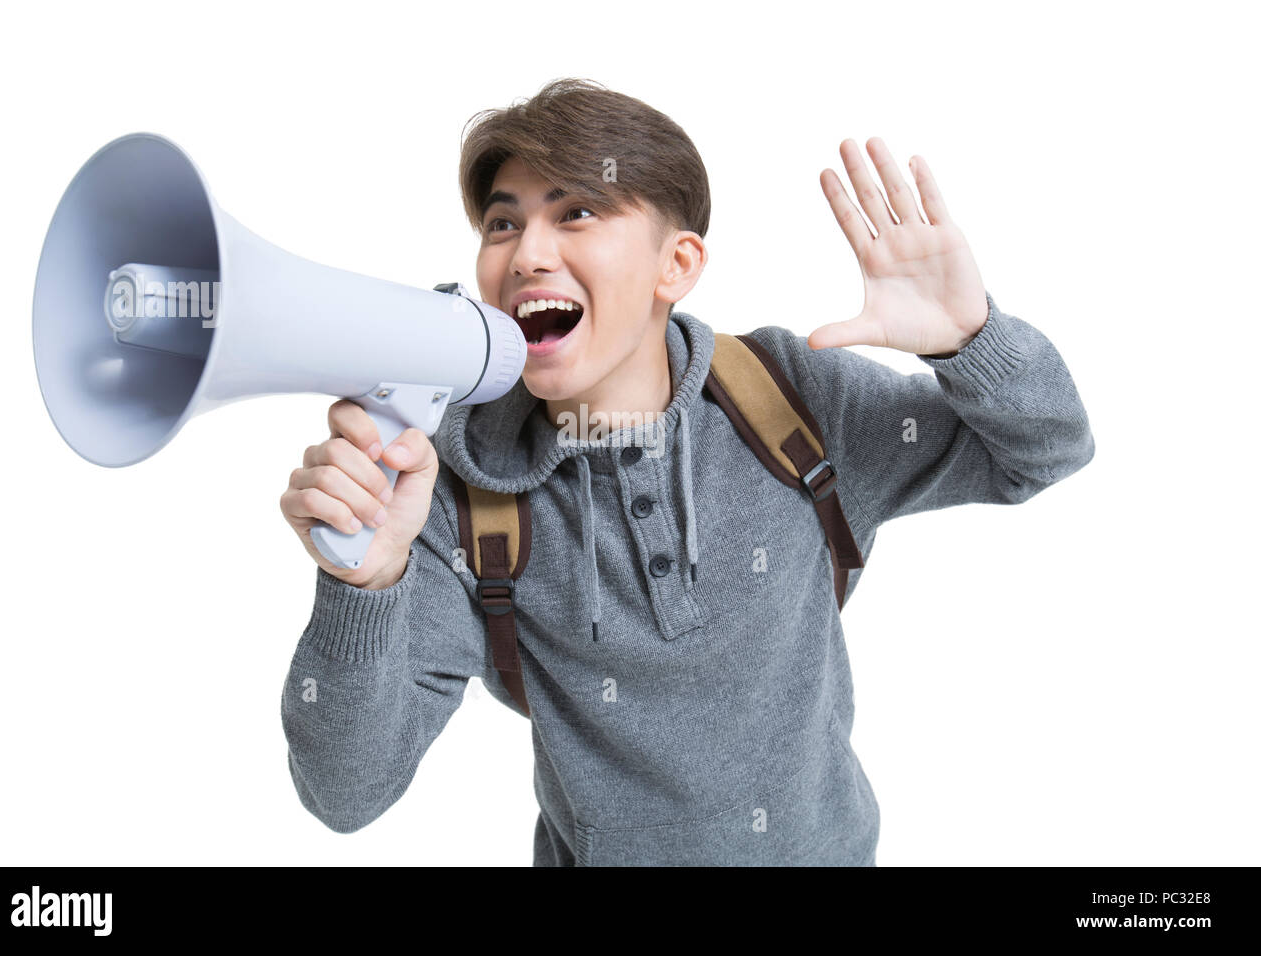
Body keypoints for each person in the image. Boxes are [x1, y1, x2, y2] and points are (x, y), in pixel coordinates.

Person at [278, 78, 1095, 865]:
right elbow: (344, 795)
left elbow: (1046, 450)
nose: (527, 253)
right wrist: (365, 582)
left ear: (677, 265)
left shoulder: (795, 397)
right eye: (502, 224)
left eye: (577, 212)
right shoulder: (452, 486)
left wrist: (969, 339)